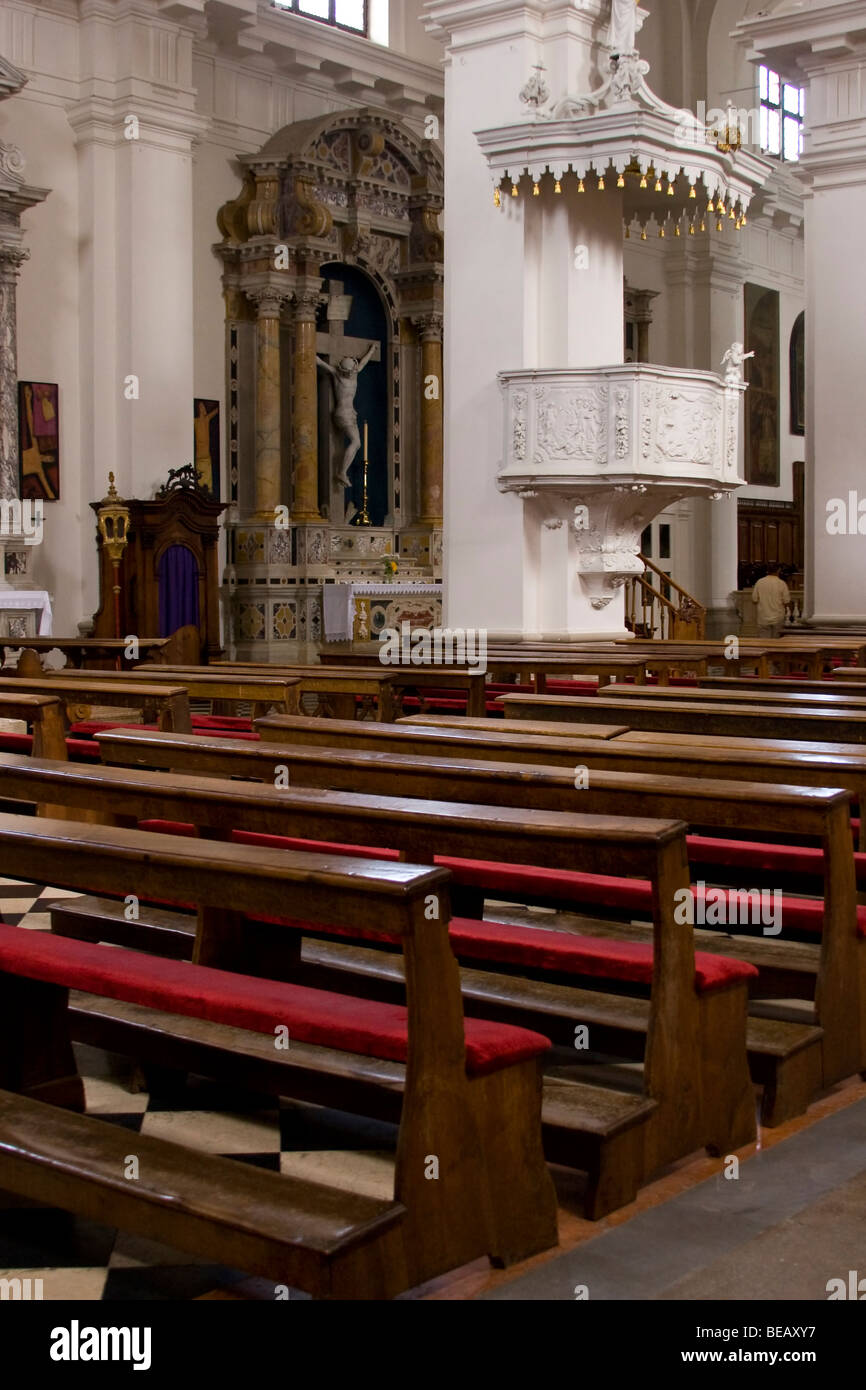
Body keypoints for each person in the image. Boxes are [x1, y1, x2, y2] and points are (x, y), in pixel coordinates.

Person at [751, 563, 791, 638]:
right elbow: (787, 601)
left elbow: (754, 599)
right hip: (778, 616)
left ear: (767, 571)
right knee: (776, 643)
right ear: (778, 571)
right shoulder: (781, 583)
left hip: (763, 616)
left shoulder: (760, 582)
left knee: (764, 642)